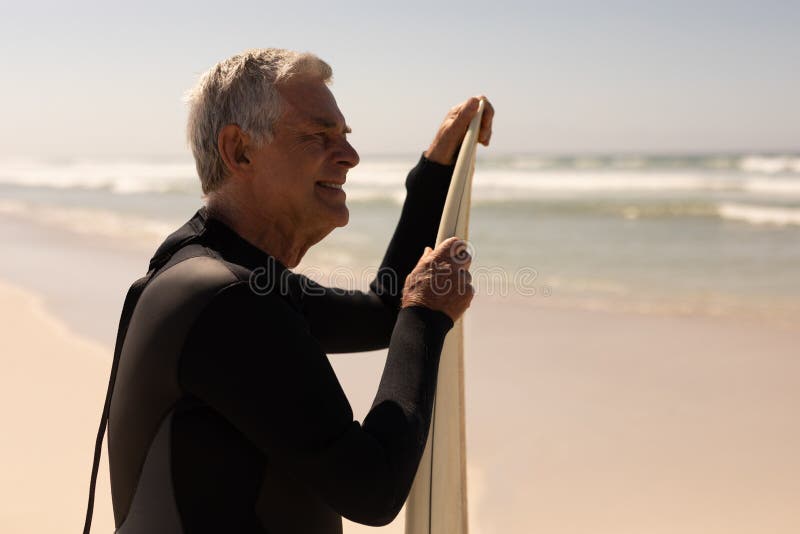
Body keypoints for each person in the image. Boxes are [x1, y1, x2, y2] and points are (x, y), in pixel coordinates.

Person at [94, 48, 494, 533]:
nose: (350, 156)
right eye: (318, 135)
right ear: (239, 151)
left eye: (345, 136)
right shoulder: (226, 303)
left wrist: (434, 175)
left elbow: (384, 312)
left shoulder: (212, 271)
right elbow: (374, 488)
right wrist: (428, 315)